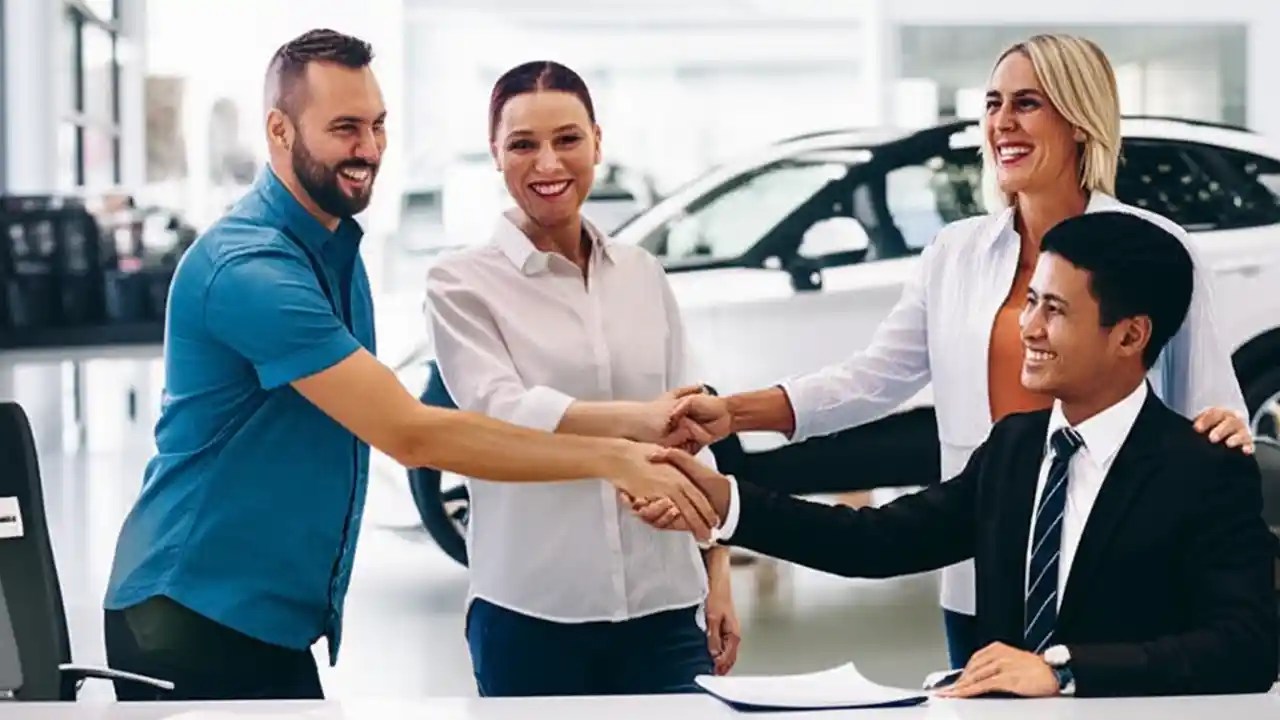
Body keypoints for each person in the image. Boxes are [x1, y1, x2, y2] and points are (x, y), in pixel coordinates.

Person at [100, 31, 717, 702]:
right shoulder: (250, 269)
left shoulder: (333, 250)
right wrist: (611, 455)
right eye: (344, 128)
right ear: (279, 130)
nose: (368, 148)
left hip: (257, 617)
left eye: (376, 125)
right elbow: (411, 433)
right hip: (191, 610)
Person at [667, 33, 1254, 669]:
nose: (1002, 122)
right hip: (984, 551)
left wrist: (1223, 435)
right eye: (993, 103)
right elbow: (875, 378)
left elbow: (1210, 408)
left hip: (1118, 559)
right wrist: (735, 419)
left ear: (1080, 118)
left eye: (1028, 103)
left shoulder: (1152, 251)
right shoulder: (957, 257)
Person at [644, 211, 1280, 698]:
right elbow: (879, 541)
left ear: (1131, 335)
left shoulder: (1203, 466)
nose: (1027, 327)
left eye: (1053, 310)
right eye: (1030, 300)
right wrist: (724, 501)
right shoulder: (1016, 446)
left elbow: (1246, 649)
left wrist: (1064, 673)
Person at [423, 60, 738, 698]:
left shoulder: (642, 273)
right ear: (495, 154)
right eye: (523, 144)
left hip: (666, 605)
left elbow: (690, 427)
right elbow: (500, 410)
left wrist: (719, 566)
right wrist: (632, 425)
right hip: (533, 613)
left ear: (598, 140)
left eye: (567, 139)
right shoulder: (460, 283)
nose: (547, 164)